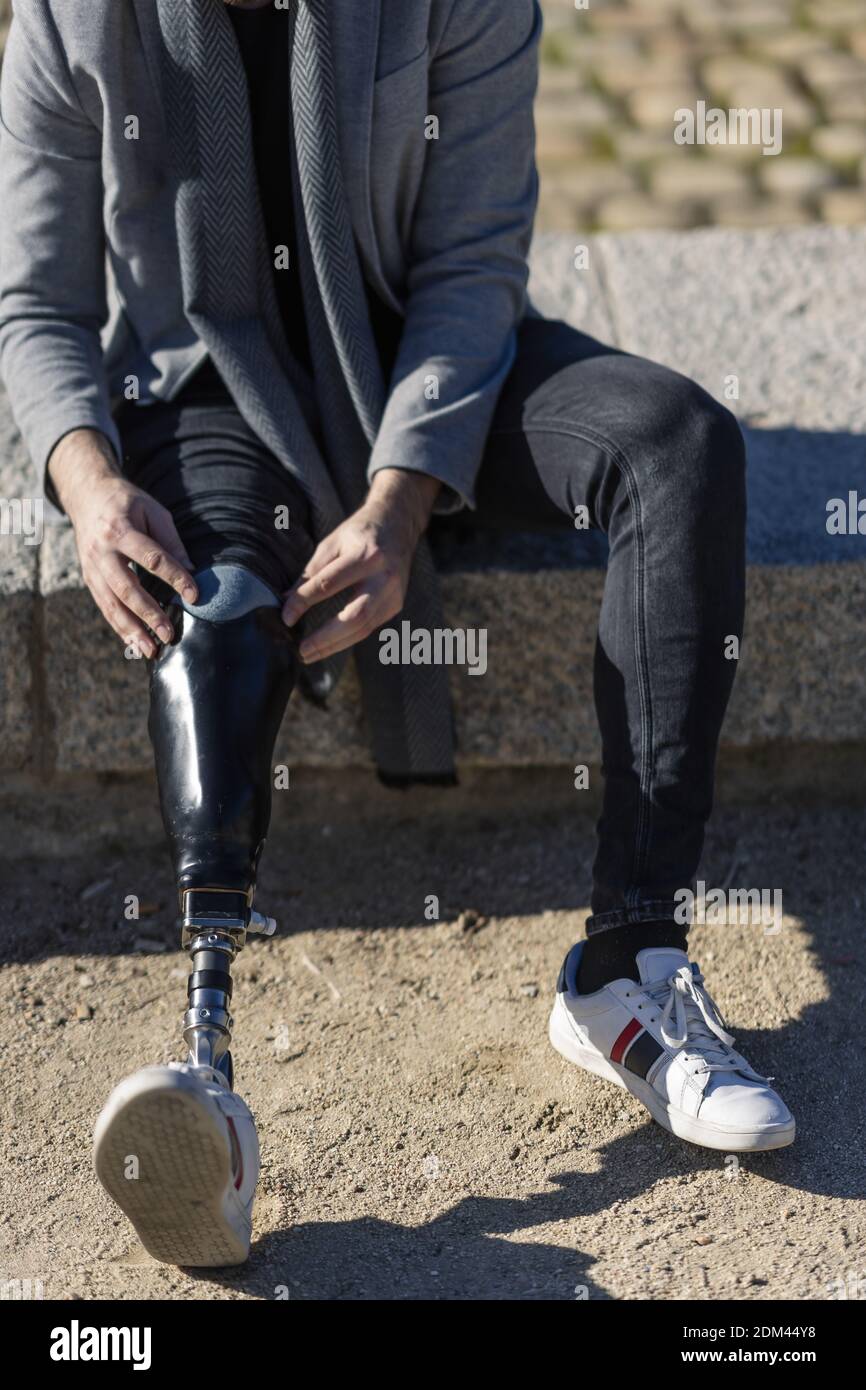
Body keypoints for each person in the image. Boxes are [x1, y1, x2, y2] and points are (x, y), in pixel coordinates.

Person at [0, 0, 794, 1267]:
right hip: (205, 389)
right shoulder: (67, 12)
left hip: (422, 371)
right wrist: (89, 486)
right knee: (210, 620)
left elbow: (472, 265)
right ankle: (206, 1074)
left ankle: (626, 970)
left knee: (675, 442)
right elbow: (33, 304)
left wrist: (401, 497)